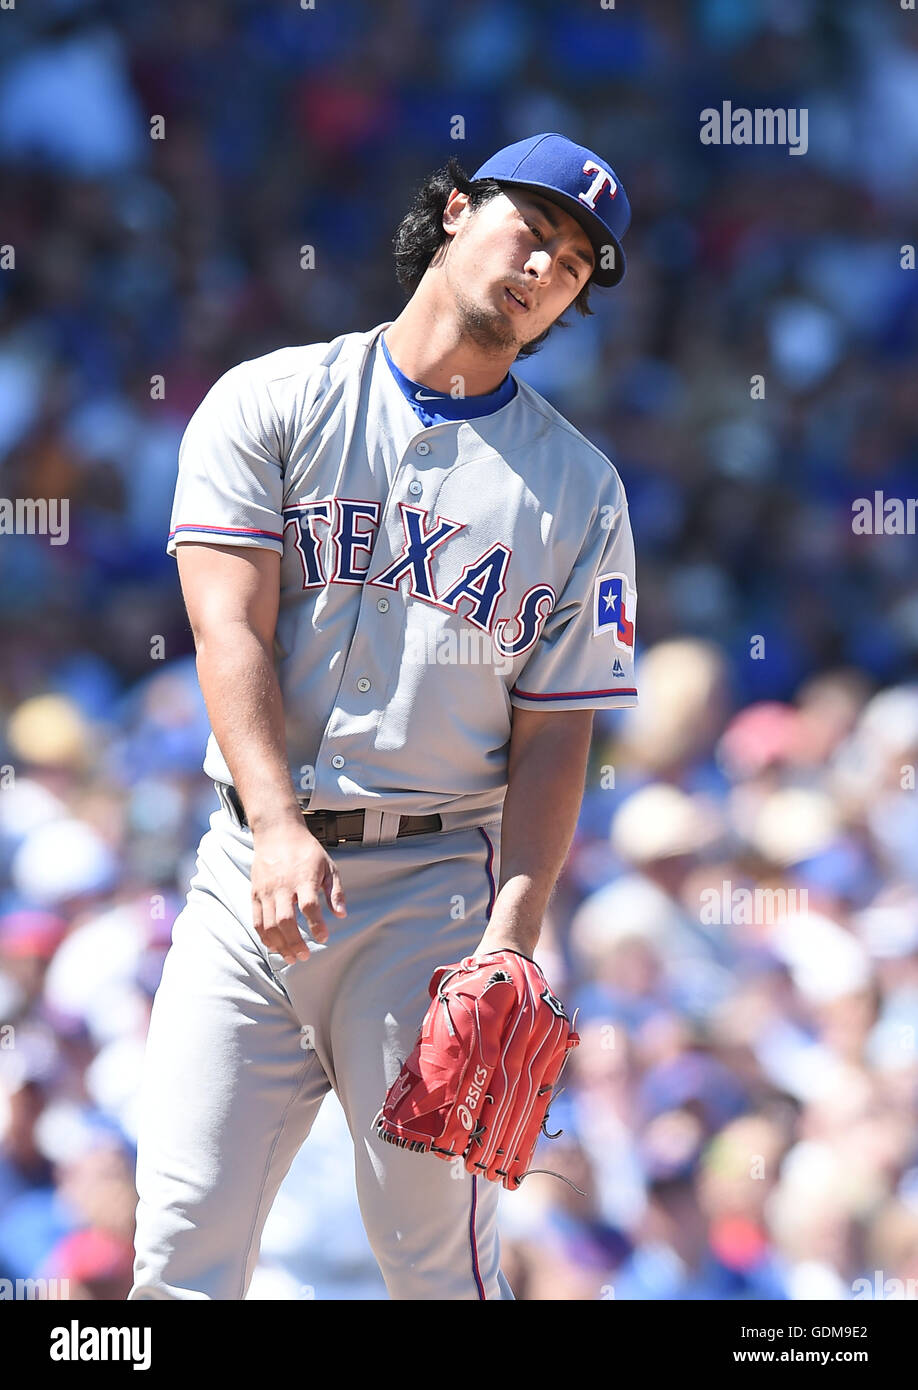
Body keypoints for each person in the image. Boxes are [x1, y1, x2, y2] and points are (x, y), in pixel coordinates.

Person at [128, 132, 639, 1301]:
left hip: (433, 897)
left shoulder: (580, 489)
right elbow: (229, 628)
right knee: (180, 1256)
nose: (544, 269)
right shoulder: (274, 398)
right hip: (245, 874)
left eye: (572, 264)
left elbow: (559, 729)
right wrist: (271, 822)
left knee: (438, 1266)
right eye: (533, 230)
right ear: (458, 211)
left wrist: (514, 925)